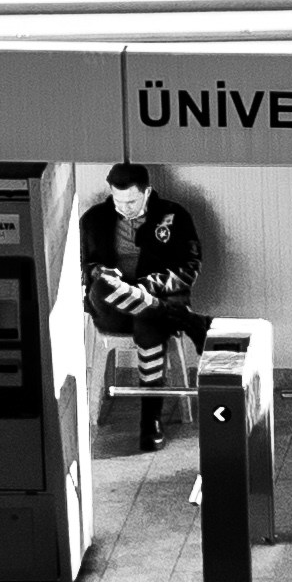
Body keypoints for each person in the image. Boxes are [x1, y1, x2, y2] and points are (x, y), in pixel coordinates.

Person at [76, 160, 205, 453]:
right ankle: (188, 321)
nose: (124, 208)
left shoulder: (174, 216)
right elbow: (80, 266)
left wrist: (147, 286)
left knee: (148, 322)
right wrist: (98, 271)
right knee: (102, 286)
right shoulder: (94, 219)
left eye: (131, 202)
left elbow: (190, 268)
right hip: (112, 309)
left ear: (147, 192)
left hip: (155, 304)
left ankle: (151, 420)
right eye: (118, 201)